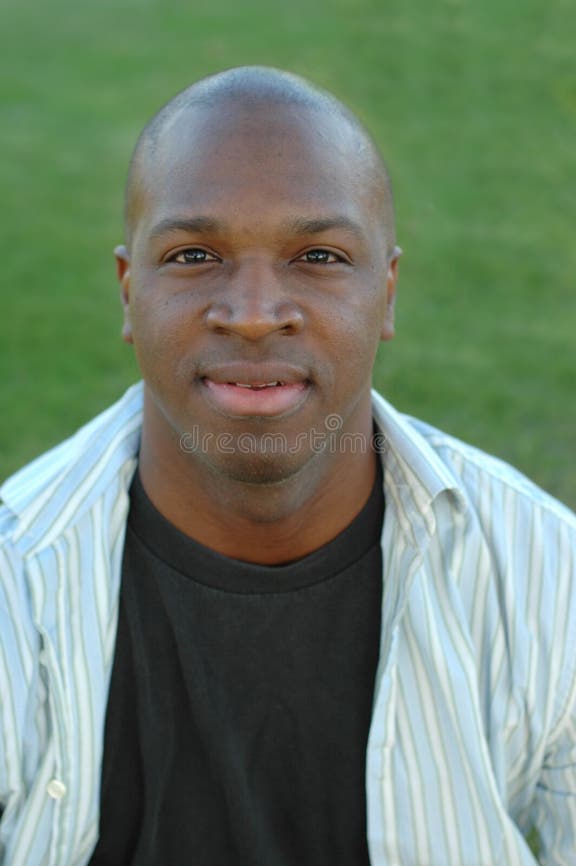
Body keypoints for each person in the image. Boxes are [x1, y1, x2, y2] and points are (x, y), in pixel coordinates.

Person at [0, 66, 574, 866]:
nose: (256, 314)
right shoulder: (13, 582)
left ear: (389, 291)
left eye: (319, 256)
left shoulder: (546, 572)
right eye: (196, 253)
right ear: (129, 292)